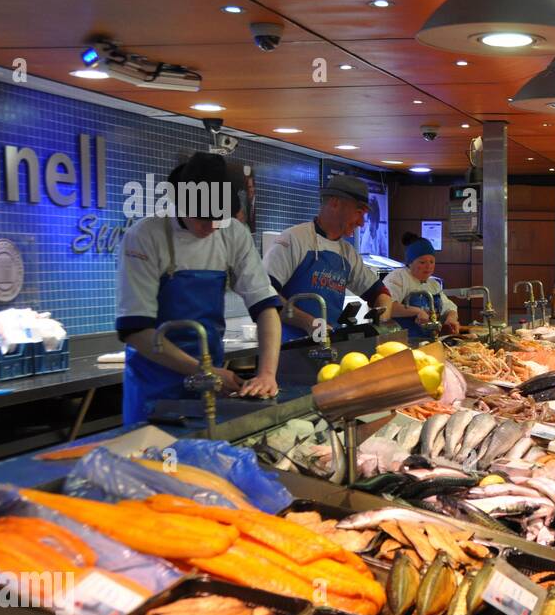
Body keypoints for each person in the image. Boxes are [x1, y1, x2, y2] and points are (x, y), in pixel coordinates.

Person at [116, 152, 282, 426]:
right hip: (154, 387)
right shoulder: (144, 236)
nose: (211, 227)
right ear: (180, 203)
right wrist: (207, 372)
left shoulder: (232, 233)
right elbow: (136, 332)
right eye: (202, 218)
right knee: (157, 463)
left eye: (218, 218)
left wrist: (267, 374)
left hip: (209, 385)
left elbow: (265, 305)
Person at [264, 176, 393, 342]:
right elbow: (266, 293)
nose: (361, 223)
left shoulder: (347, 253)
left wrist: (382, 316)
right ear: (335, 203)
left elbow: (380, 293)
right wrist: (309, 323)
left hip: (330, 345)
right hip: (286, 348)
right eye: (359, 213)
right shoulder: (294, 239)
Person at [383, 239, 459, 341]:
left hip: (428, 340)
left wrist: (451, 318)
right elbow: (388, 306)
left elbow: (449, 306)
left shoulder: (433, 284)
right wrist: (417, 311)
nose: (428, 266)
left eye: (432, 262)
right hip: (402, 341)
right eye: (422, 262)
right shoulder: (398, 277)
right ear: (410, 263)